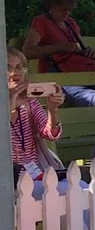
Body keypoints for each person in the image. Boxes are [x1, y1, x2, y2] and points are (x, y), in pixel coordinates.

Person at [20, 0, 95, 107]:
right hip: (59, 74)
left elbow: (81, 47)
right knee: (94, 99)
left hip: (81, 70)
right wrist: (59, 47)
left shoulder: (70, 23)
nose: (67, 13)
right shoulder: (41, 22)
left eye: (69, 10)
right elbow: (27, 52)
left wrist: (88, 51)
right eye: (63, 9)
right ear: (51, 6)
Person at [8, 47, 66, 196]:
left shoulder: (29, 102)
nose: (15, 73)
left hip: (35, 175)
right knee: (66, 192)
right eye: (8, 68)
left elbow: (51, 134)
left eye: (19, 67)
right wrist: (11, 104)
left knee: (80, 186)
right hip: (8, 180)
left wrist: (52, 109)